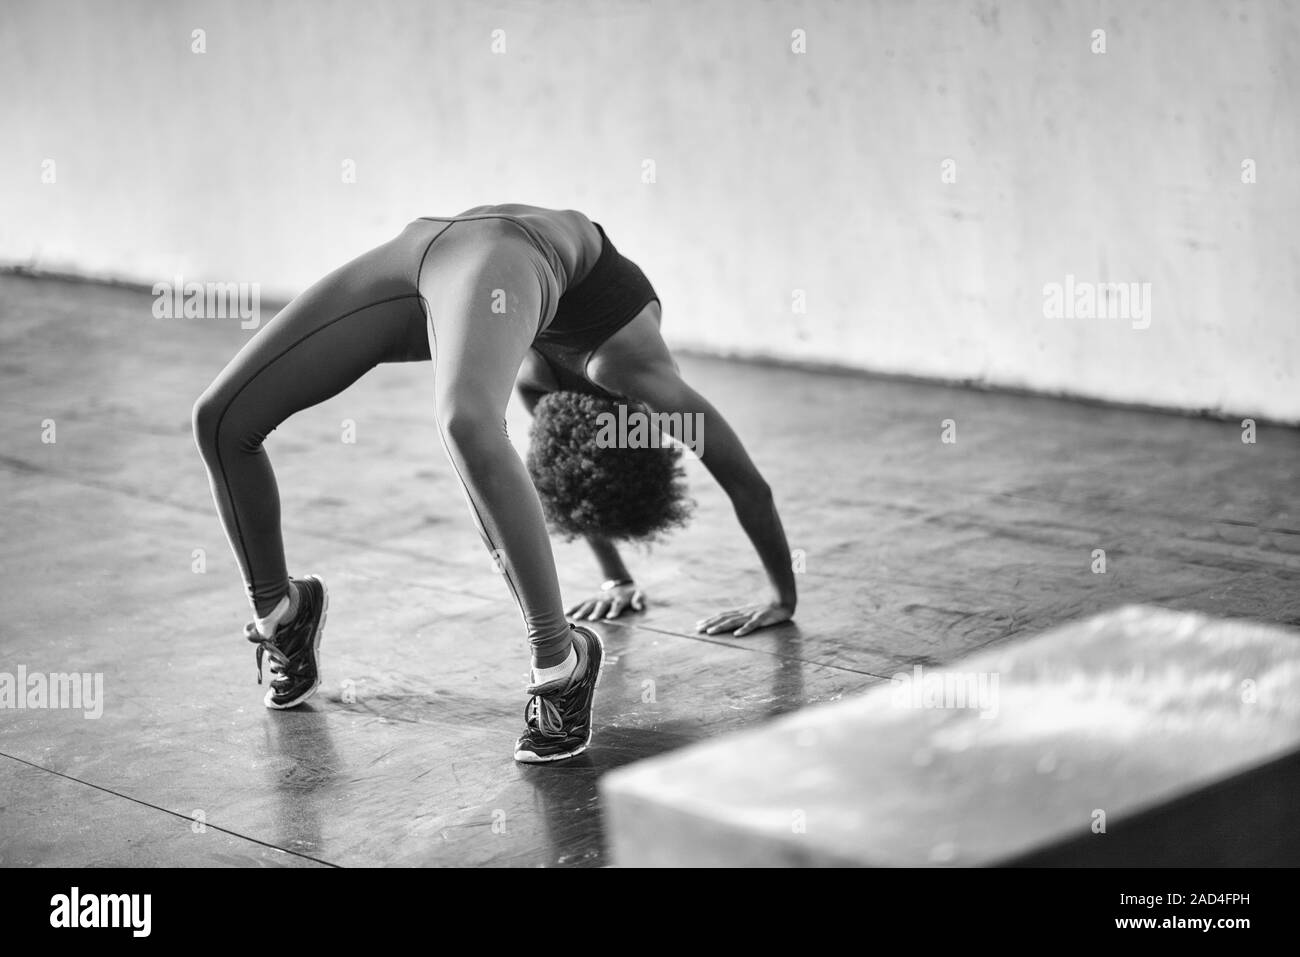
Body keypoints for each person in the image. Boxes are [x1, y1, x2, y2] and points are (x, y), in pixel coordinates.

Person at [192, 203, 797, 763]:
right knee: (225, 418)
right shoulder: (640, 377)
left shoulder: (548, 383)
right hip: (487, 251)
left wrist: (618, 576)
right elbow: (747, 484)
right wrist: (781, 598)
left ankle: (285, 616)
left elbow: (557, 482)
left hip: (451, 250)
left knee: (235, 418)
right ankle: (568, 659)